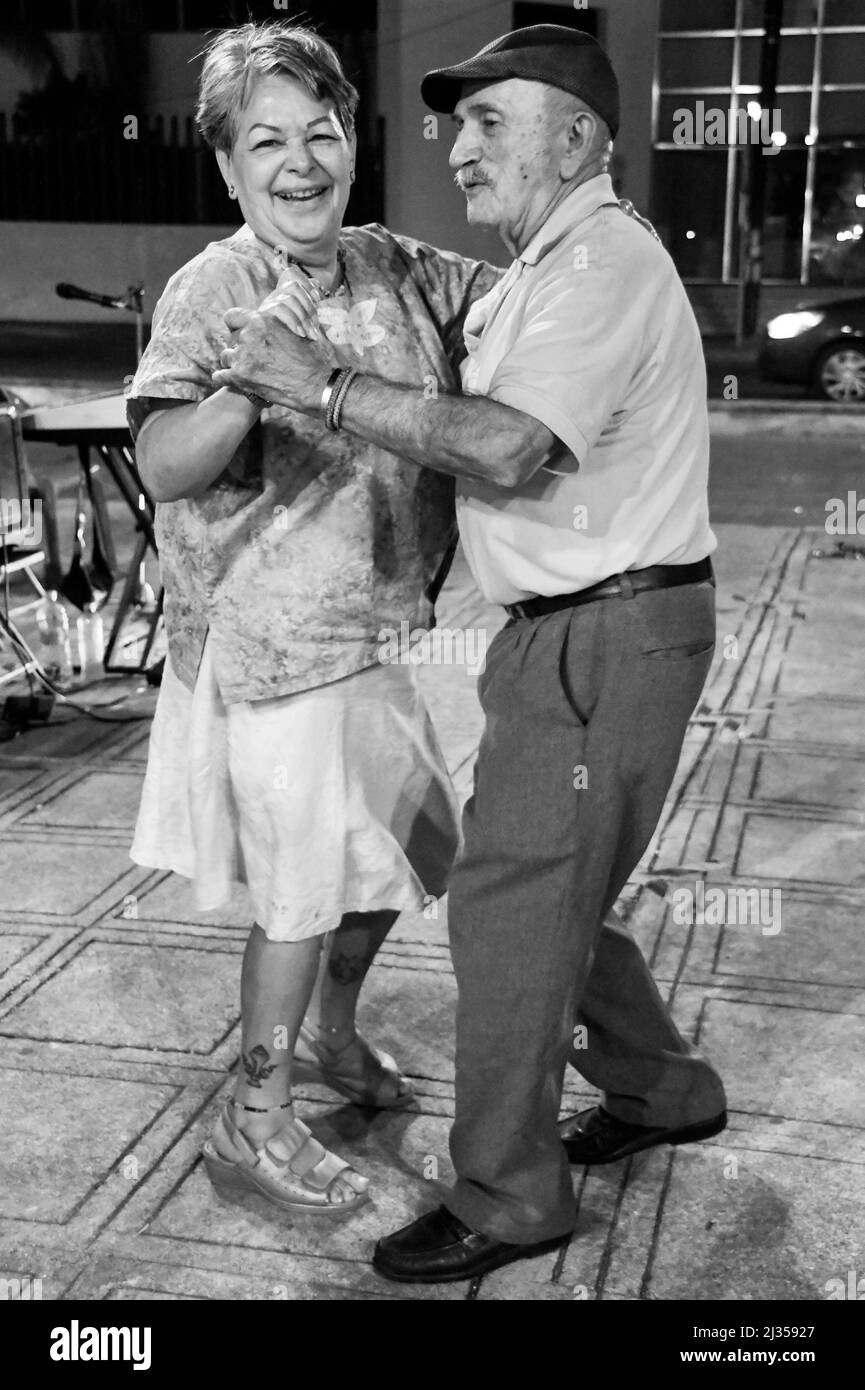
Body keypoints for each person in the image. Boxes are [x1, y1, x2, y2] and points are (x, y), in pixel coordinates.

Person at [218, 22, 728, 1276]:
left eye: (490, 120)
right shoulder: (537, 264)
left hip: (607, 633)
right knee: (550, 887)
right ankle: (663, 1090)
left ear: (579, 136)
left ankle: (509, 1196)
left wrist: (320, 384)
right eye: (454, 123)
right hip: (568, 634)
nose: (456, 147)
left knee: (507, 910)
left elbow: (504, 445)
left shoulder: (598, 263)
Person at [127, 20, 500, 1217]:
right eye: (265, 141)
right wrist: (244, 389)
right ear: (229, 168)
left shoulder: (394, 265)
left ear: (353, 144)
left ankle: (333, 1035)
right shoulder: (213, 287)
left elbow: (523, 297)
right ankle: (254, 1116)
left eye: (320, 133)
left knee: (400, 859)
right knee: (294, 898)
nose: (299, 162)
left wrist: (606, 235)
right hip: (271, 656)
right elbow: (164, 464)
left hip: (380, 641)